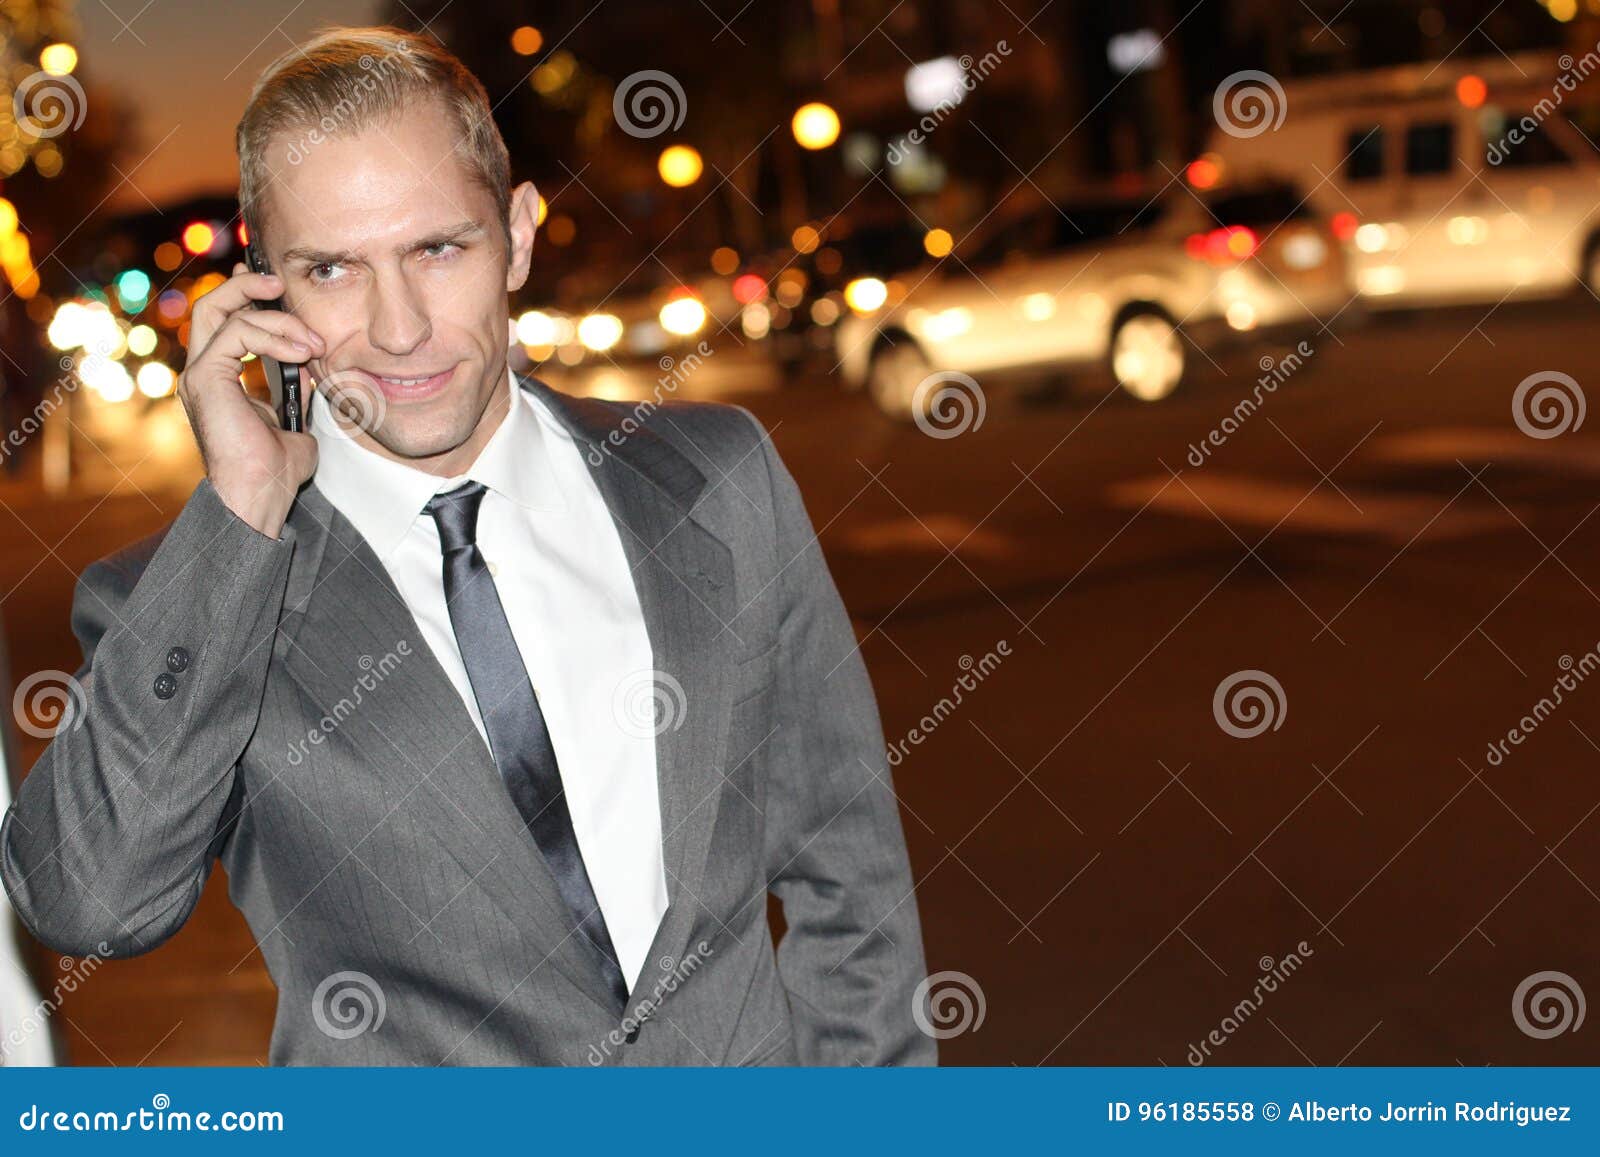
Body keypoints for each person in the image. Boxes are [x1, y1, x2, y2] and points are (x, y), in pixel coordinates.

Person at [0, 26, 932, 1066]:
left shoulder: (715, 477)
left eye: (438, 249)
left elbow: (849, 879)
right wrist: (242, 510)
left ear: (519, 235)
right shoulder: (196, 590)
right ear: (264, 286)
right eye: (332, 269)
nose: (399, 329)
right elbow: (88, 900)